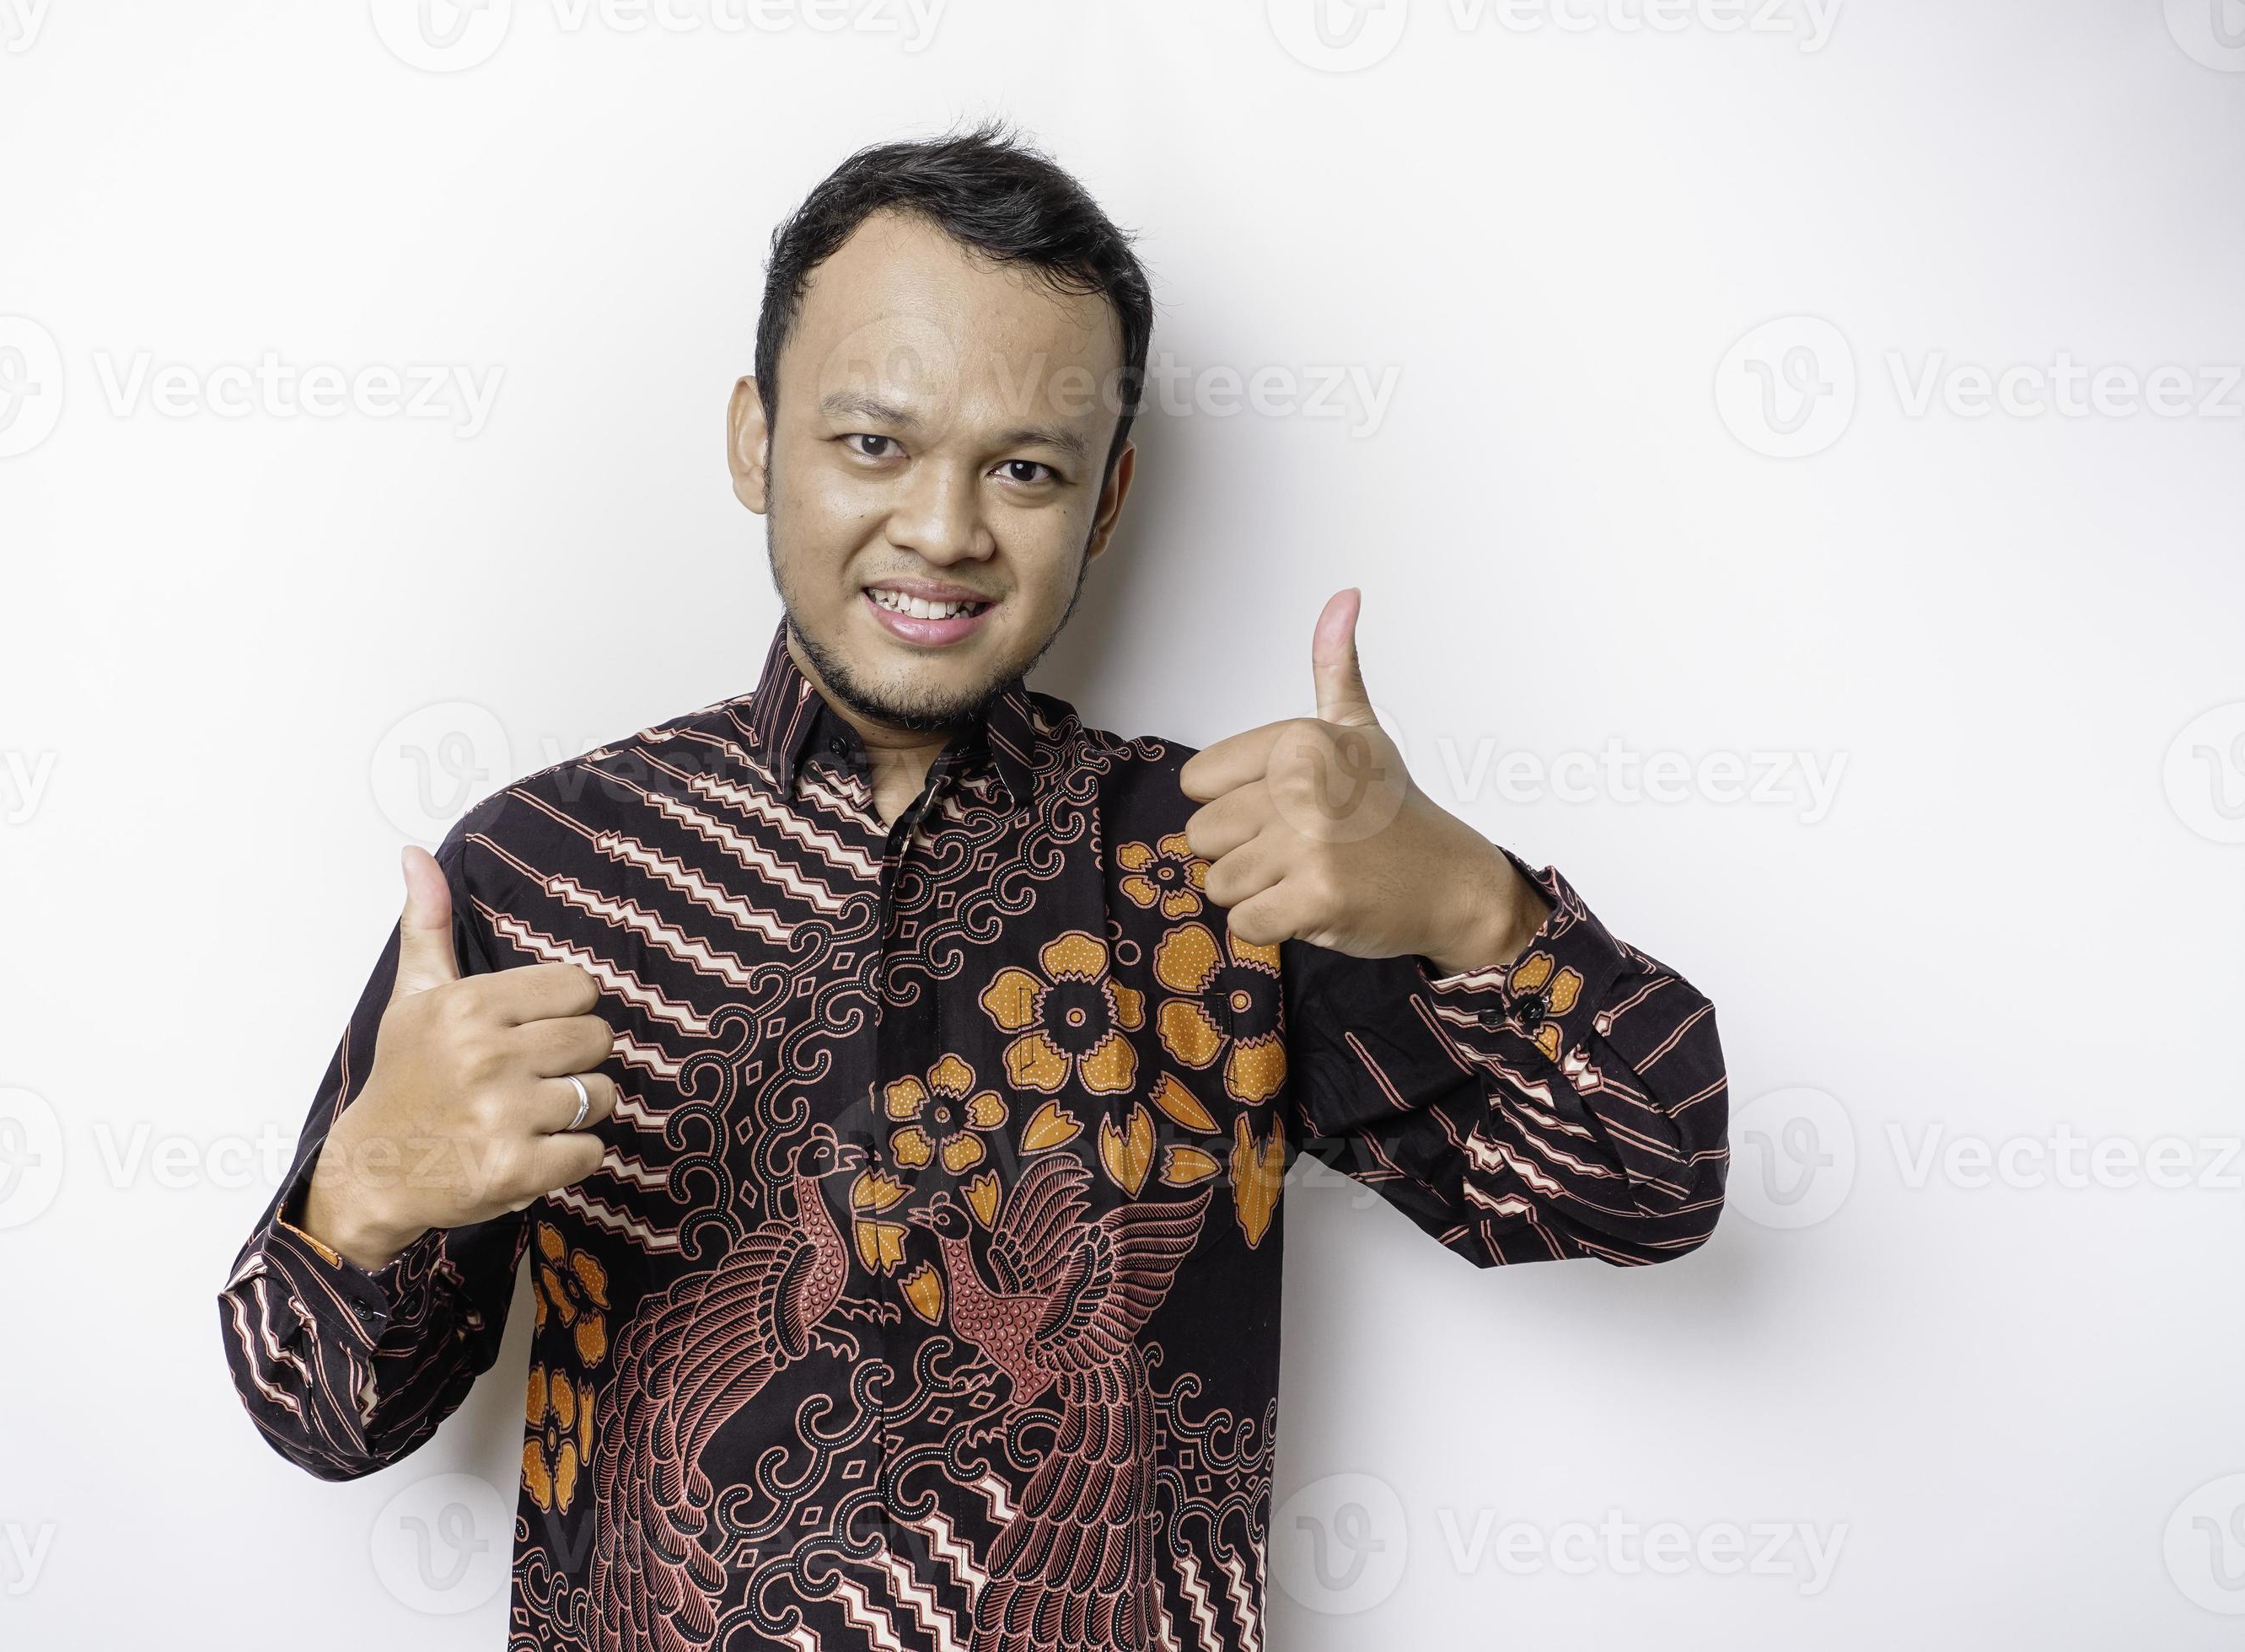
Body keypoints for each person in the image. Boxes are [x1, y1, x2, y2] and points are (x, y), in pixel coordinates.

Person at [218, 121, 1730, 1652]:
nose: (942, 530)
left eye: (1022, 467)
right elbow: (329, 1423)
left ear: (1111, 493)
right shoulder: (544, 875)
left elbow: (1652, 1183)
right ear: (757, 439)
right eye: (872, 442)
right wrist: (363, 1202)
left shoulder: (1233, 870)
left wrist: (1478, 908)